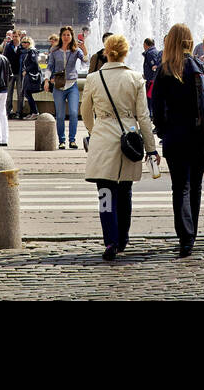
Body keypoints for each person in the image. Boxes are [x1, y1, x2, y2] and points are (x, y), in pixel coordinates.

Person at [151, 23, 204, 256]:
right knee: (196, 185)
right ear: (190, 41)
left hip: (175, 136)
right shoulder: (202, 67)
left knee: (180, 187)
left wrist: (163, 131)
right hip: (201, 136)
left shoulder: (164, 70)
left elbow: (156, 106)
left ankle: (185, 236)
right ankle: (192, 233)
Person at [83, 33, 158, 261]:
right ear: (126, 52)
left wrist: (93, 131)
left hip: (103, 137)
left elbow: (85, 112)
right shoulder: (135, 78)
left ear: (106, 51)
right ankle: (123, 238)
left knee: (105, 192)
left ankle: (110, 240)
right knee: (125, 191)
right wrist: (151, 148)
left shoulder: (94, 78)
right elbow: (143, 117)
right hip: (129, 137)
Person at [48, 26, 85, 149]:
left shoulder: (76, 50)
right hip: (58, 86)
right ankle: (62, 140)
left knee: (74, 113)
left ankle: (72, 140)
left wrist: (84, 50)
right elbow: (49, 66)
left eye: (68, 35)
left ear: (71, 36)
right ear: (61, 36)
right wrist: (47, 80)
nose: (66, 37)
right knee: (60, 115)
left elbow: (85, 62)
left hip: (72, 84)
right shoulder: (54, 50)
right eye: (64, 34)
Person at [17, 35, 41, 121]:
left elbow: (34, 63)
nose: (23, 44)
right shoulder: (28, 51)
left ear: (29, 43)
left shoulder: (32, 51)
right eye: (22, 42)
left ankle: (35, 112)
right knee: (27, 92)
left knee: (27, 92)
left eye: (25, 42)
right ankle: (33, 112)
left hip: (31, 75)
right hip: (29, 74)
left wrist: (26, 70)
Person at [2, 31, 21, 118]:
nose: (14, 38)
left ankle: (19, 112)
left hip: (20, 73)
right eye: (13, 36)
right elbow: (4, 58)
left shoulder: (22, 46)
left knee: (20, 93)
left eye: (16, 36)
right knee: (9, 93)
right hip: (10, 73)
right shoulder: (8, 46)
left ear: (19, 37)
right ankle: (8, 111)